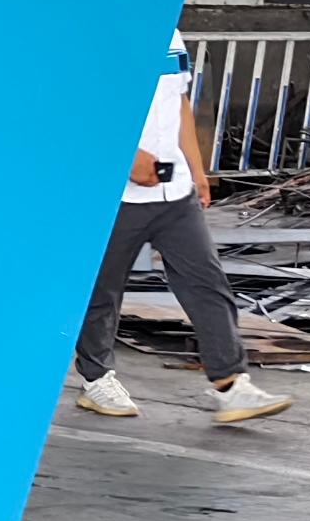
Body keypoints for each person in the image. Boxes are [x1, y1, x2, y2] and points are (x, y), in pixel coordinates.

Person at [73, 44, 289, 427]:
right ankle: (96, 379)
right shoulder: (105, 33)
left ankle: (231, 384)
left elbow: (180, 104)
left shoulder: (172, 35)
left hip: (175, 193)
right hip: (117, 196)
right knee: (102, 290)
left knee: (206, 282)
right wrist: (125, 154)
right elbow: (80, 107)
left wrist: (198, 170)